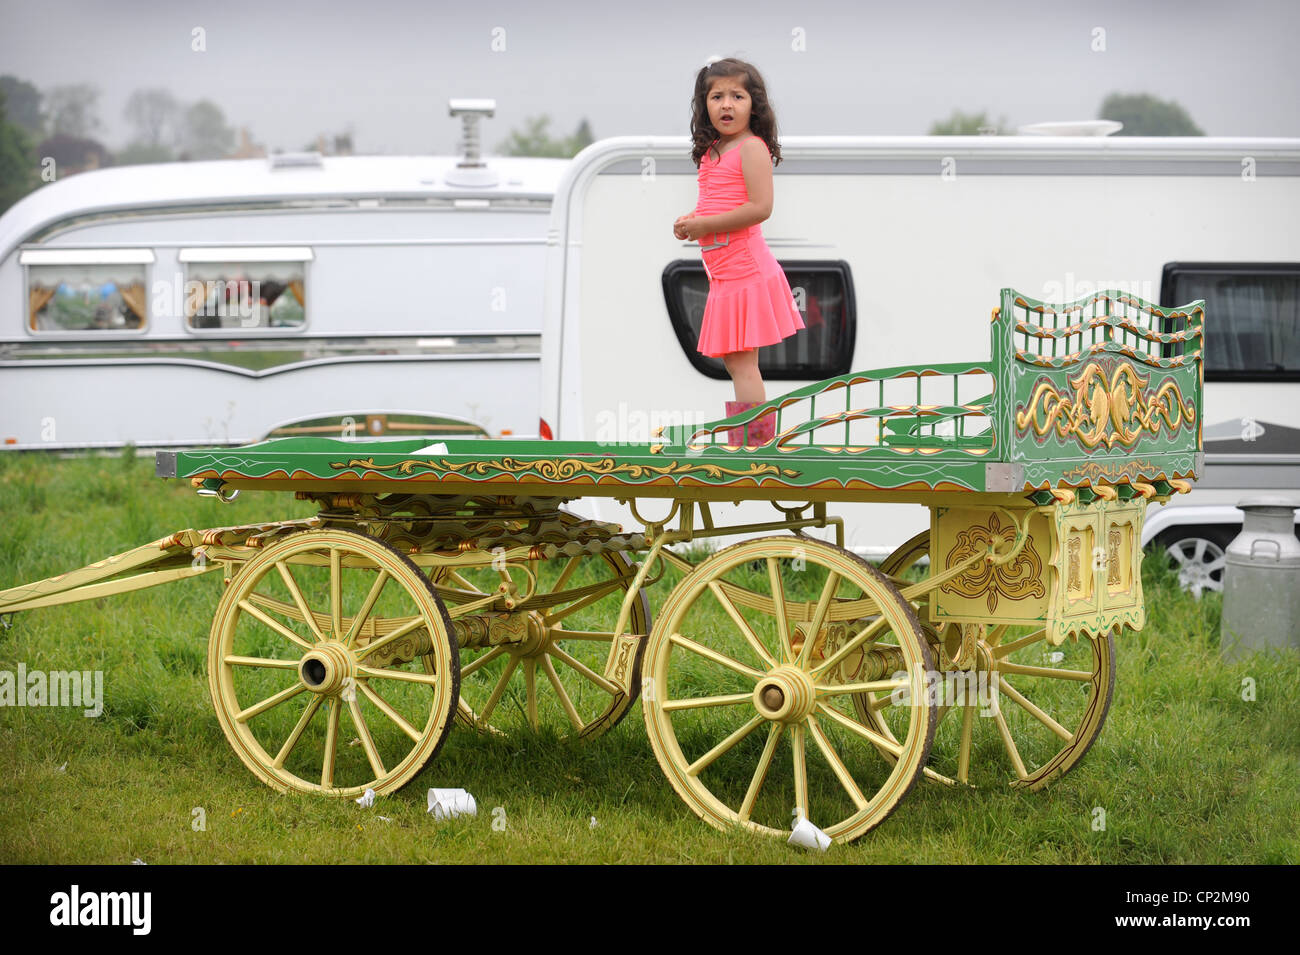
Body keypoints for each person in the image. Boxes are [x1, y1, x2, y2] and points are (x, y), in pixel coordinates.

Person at [673, 58, 805, 447]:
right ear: (704, 104)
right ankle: (748, 438)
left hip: (745, 267)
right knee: (734, 360)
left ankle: (754, 442)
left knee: (743, 361)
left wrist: (704, 226)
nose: (726, 105)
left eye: (737, 95)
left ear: (754, 104)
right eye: (717, 96)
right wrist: (692, 219)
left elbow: (760, 209)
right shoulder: (713, 151)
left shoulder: (752, 148)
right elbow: (717, 204)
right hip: (723, 272)